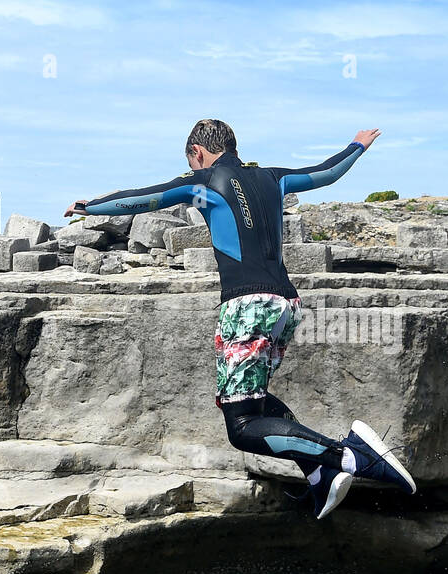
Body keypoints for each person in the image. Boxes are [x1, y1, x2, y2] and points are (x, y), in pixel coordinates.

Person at [65, 119, 415, 518]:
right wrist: (356, 146)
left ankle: (352, 456)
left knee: (243, 427)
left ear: (197, 152)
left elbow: (146, 197)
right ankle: (317, 471)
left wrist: (90, 207)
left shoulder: (205, 180)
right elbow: (326, 173)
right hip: (285, 305)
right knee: (255, 401)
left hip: (247, 306)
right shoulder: (272, 177)